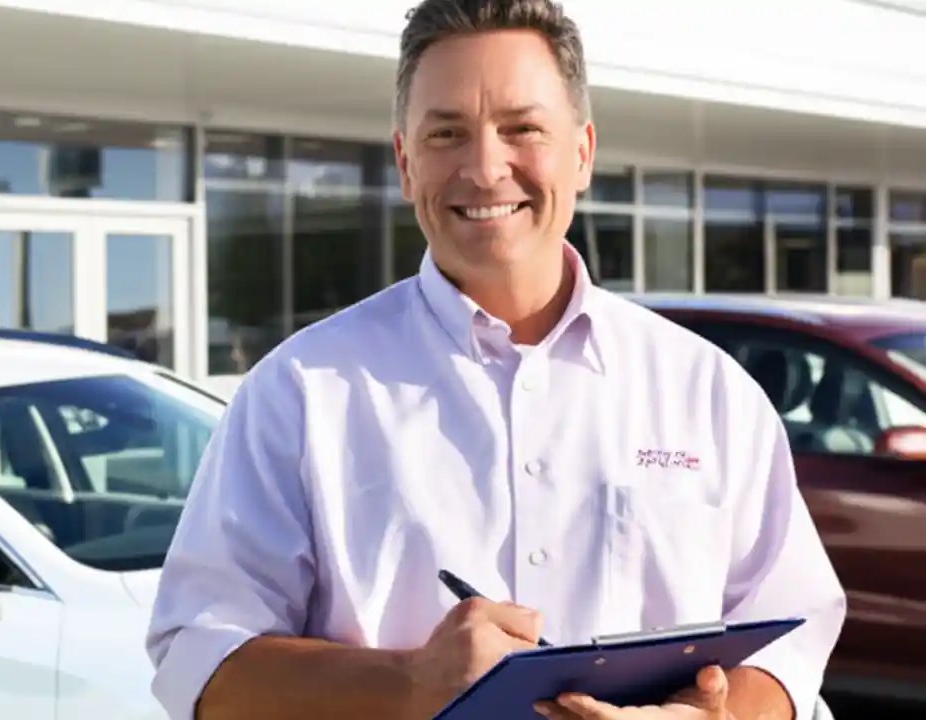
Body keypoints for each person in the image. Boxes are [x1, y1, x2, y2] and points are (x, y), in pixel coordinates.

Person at [145, 0, 847, 718]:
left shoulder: (707, 391)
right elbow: (200, 658)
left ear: (582, 151)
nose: (484, 169)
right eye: (447, 133)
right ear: (404, 160)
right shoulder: (299, 394)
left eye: (523, 129)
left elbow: (790, 634)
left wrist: (722, 715)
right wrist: (411, 682)